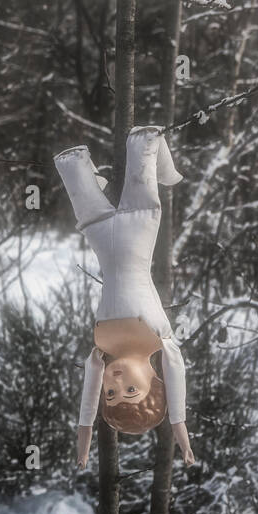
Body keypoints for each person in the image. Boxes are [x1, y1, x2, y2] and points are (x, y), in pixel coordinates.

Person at [54, 126, 196, 469]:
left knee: (74, 177)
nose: (116, 383)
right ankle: (148, 145)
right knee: (141, 171)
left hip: (99, 236)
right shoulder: (161, 340)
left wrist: (84, 448)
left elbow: (87, 409)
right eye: (131, 390)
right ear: (153, 379)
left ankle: (81, 168)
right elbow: (177, 383)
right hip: (138, 231)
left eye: (111, 394)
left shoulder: (99, 356)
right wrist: (181, 434)